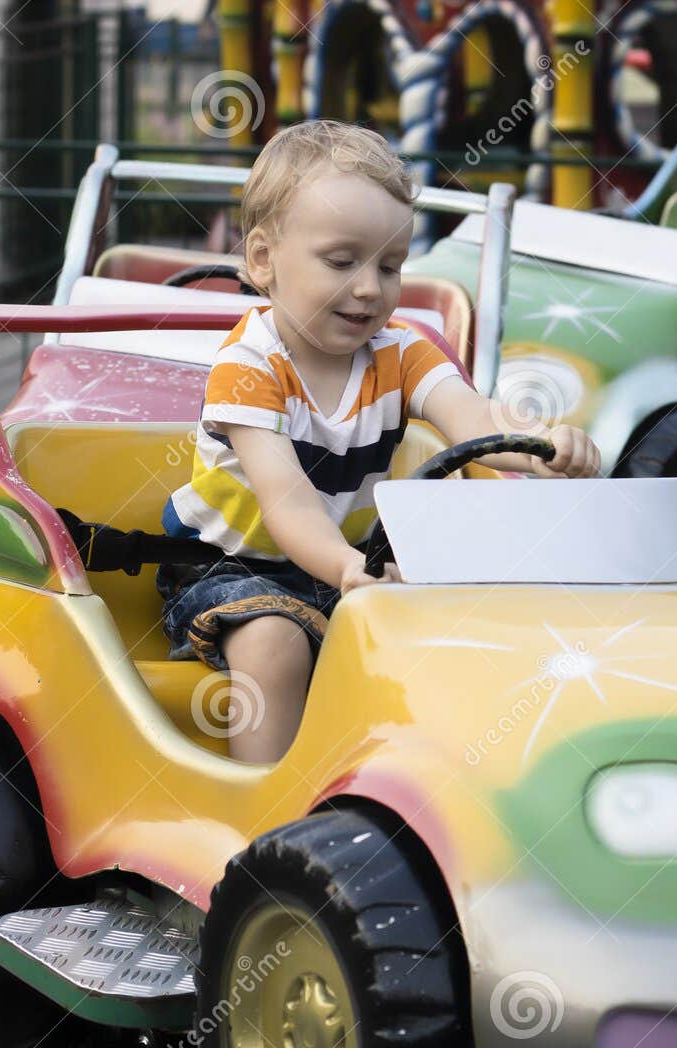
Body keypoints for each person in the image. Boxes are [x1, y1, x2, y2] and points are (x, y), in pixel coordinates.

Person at [158, 119, 599, 763]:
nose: (370, 287)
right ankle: (265, 817)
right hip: (232, 566)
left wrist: (542, 445)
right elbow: (285, 498)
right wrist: (343, 570)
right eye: (342, 262)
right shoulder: (250, 366)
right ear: (262, 261)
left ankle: (433, 783)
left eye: (390, 265)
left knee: (463, 621)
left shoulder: (401, 350)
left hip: (353, 565)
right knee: (273, 641)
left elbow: (472, 420)